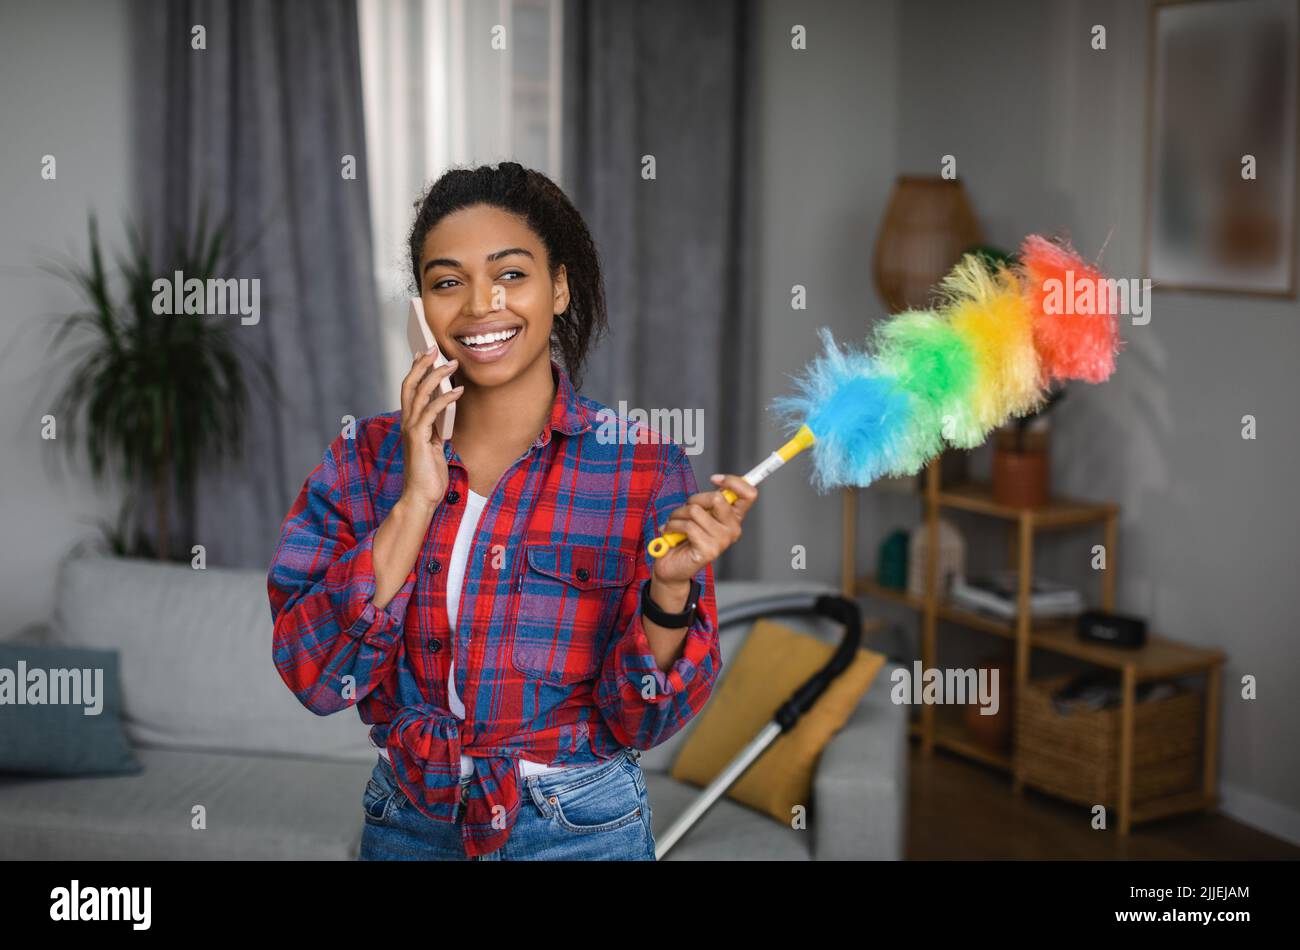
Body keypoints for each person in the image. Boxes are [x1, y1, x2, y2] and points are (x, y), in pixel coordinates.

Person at [267, 161, 756, 860]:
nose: (478, 305)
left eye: (511, 274)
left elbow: (644, 719)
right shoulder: (363, 459)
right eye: (446, 282)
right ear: (422, 310)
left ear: (558, 288)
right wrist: (415, 501)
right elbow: (314, 675)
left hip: (582, 828)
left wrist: (669, 590)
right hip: (410, 821)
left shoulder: (642, 467)